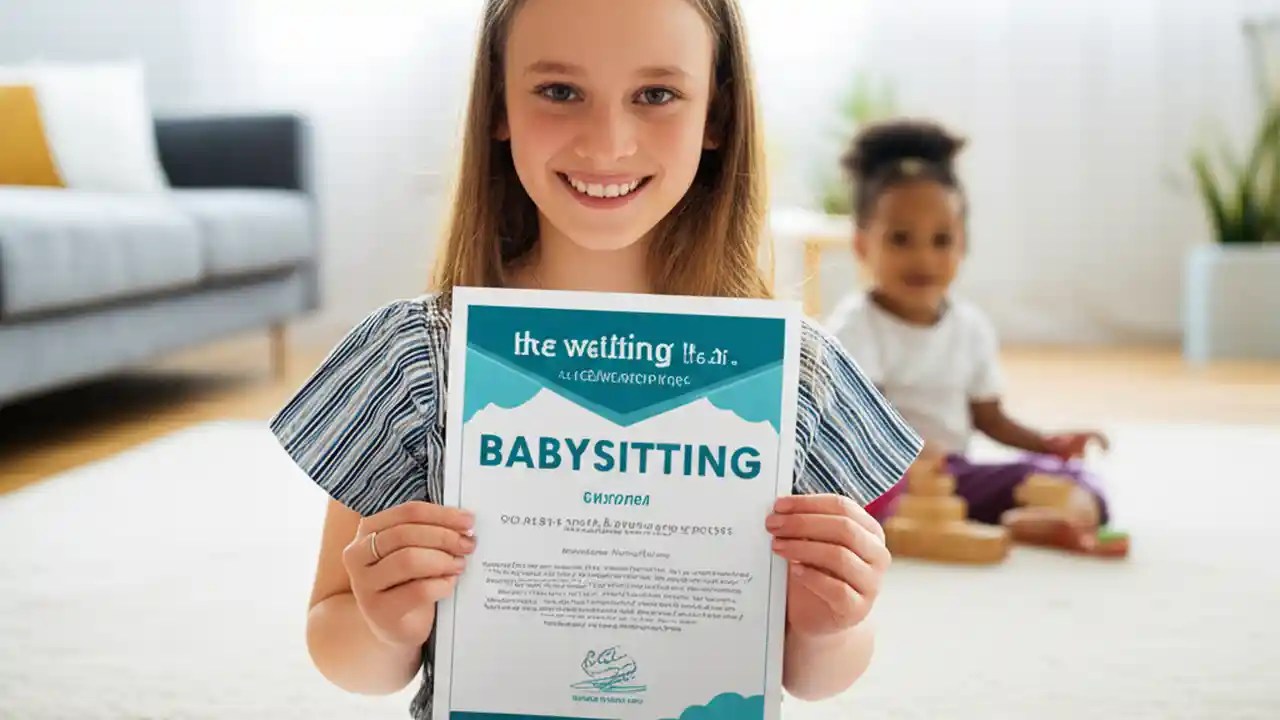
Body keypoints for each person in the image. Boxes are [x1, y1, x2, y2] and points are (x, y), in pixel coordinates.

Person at [267, 1, 923, 717]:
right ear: (499, 106)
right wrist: (384, 621)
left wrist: (833, 622)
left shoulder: (795, 372)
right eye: (559, 91)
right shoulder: (413, 361)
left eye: (656, 94)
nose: (606, 143)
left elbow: (814, 674)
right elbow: (345, 653)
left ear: (717, 118)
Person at [824, 118, 1126, 557]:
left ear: (963, 245)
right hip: (889, 478)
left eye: (942, 240)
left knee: (1084, 482)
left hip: (957, 476)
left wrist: (1047, 445)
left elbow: (990, 418)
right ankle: (916, 525)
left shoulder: (970, 328)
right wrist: (914, 454)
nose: (922, 257)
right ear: (861, 245)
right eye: (901, 239)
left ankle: (1048, 519)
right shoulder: (855, 327)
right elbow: (855, 421)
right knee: (852, 501)